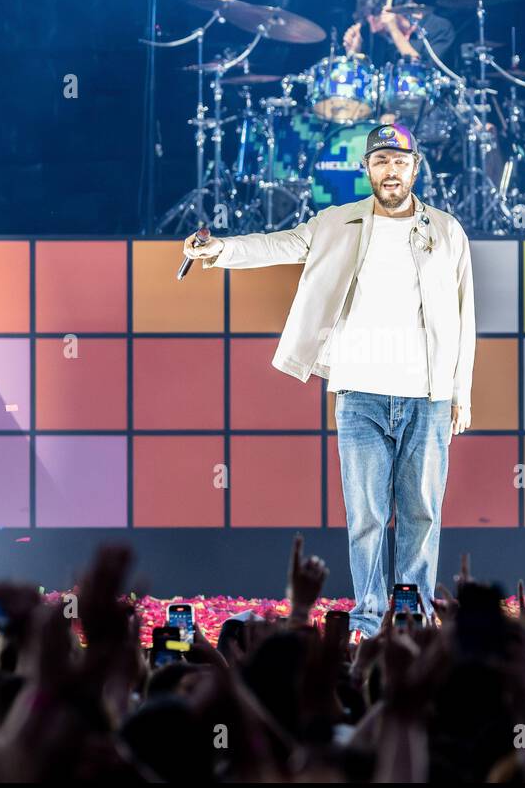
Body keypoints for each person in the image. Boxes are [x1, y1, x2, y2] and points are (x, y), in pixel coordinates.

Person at [183, 123, 476, 639]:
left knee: (422, 514)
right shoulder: (336, 222)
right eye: (382, 161)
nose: (392, 170)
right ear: (367, 168)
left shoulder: (447, 231)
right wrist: (221, 250)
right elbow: (281, 245)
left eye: (401, 162)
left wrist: (460, 394)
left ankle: (414, 617)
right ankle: (367, 619)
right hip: (359, 392)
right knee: (366, 517)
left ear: (415, 168)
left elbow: (464, 315)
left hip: (427, 396)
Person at [342, 0, 455, 63]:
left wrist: (394, 30)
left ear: (392, 10)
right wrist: (353, 54)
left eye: (374, 17)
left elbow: (421, 73)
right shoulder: (383, 41)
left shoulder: (440, 28)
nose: (373, 29)